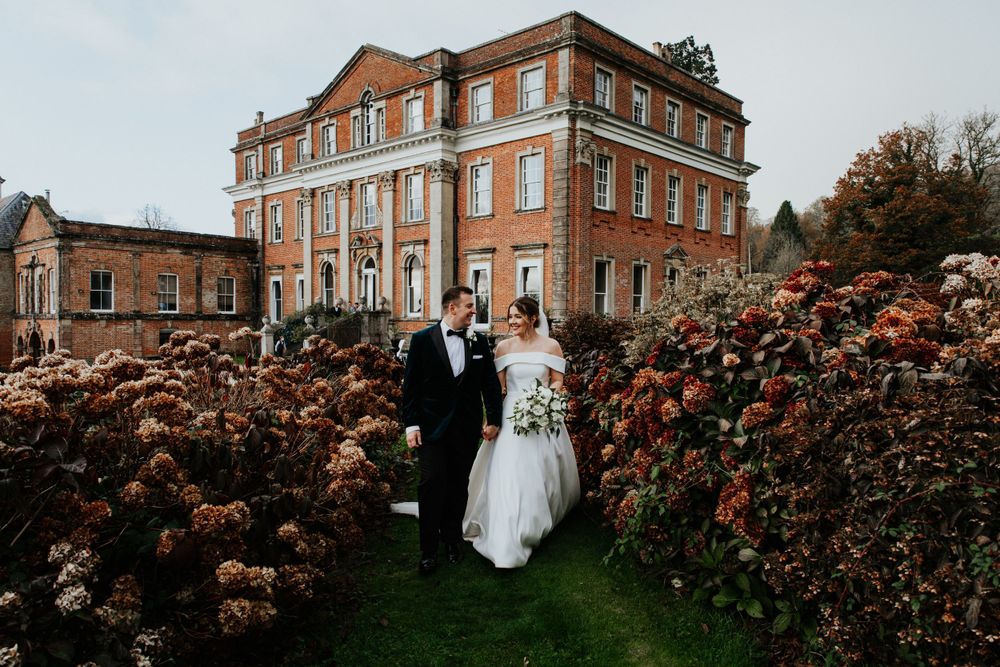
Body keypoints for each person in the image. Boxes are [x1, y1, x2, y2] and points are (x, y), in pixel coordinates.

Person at [463, 296, 580, 568]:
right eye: (509, 317)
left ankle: (534, 522)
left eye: (517, 317)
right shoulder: (503, 348)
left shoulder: (551, 346)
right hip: (511, 414)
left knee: (540, 471)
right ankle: (508, 532)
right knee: (510, 472)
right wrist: (491, 419)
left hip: (541, 416)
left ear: (532, 318)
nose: (512, 322)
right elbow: (498, 389)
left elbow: (557, 380)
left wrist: (546, 400)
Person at [401, 286, 503, 575]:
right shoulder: (422, 340)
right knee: (431, 484)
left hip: (466, 427)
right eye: (469, 306)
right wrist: (411, 424)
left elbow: (490, 386)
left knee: (459, 486)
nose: (474, 310)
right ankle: (428, 550)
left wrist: (493, 418)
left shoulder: (479, 342)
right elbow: (411, 388)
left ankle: (452, 540)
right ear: (452, 308)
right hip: (431, 428)